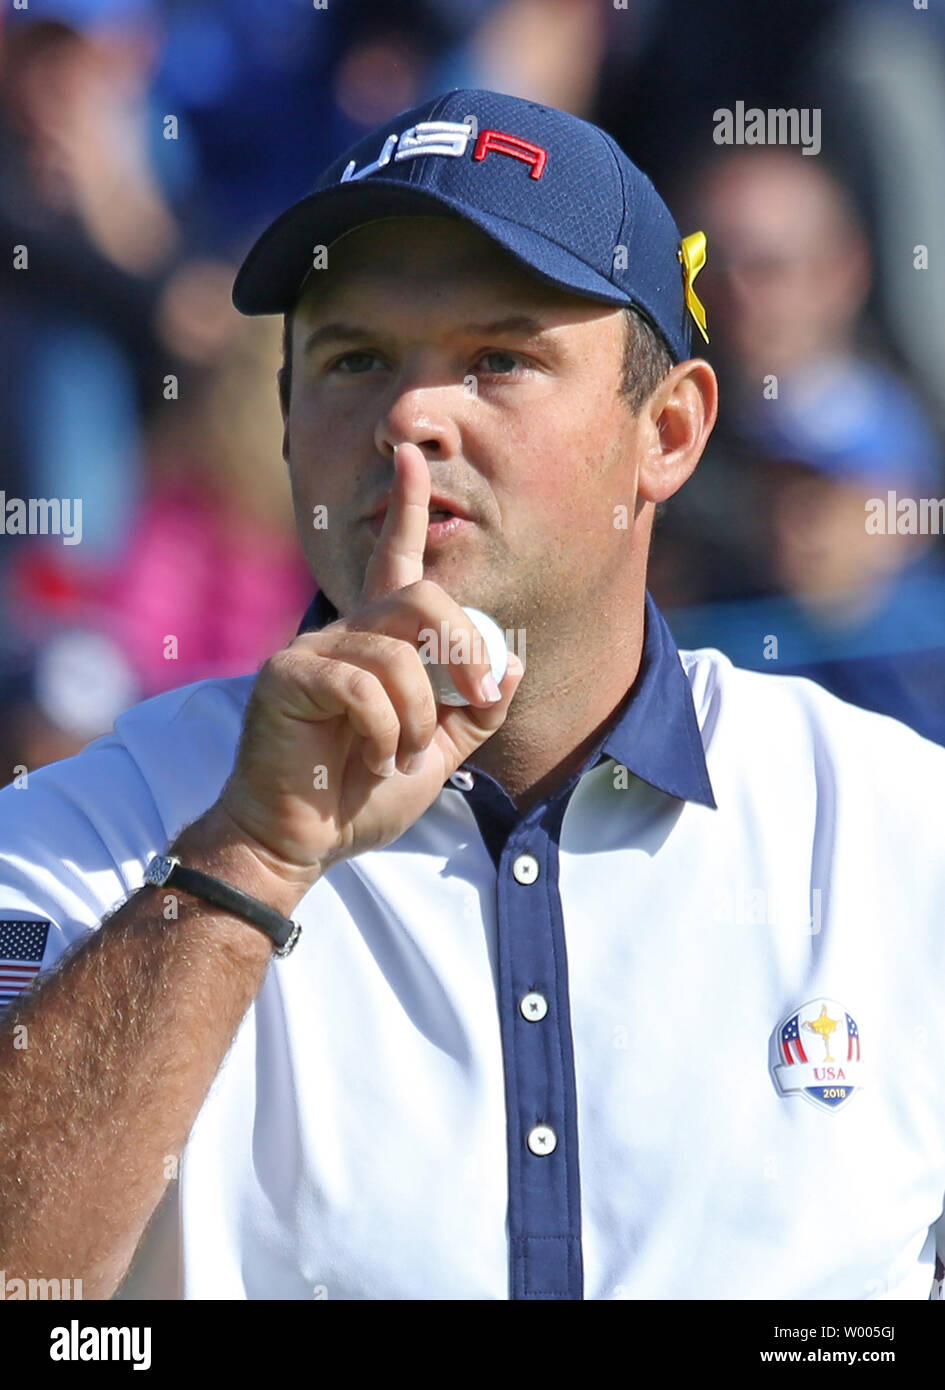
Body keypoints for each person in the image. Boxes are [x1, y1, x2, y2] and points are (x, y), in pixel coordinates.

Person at [0, 90, 943, 1302]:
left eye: (500, 357)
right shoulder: (78, 833)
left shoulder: (897, 832)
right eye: (354, 361)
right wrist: (246, 862)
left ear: (669, 430)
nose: (409, 417)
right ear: (287, 422)